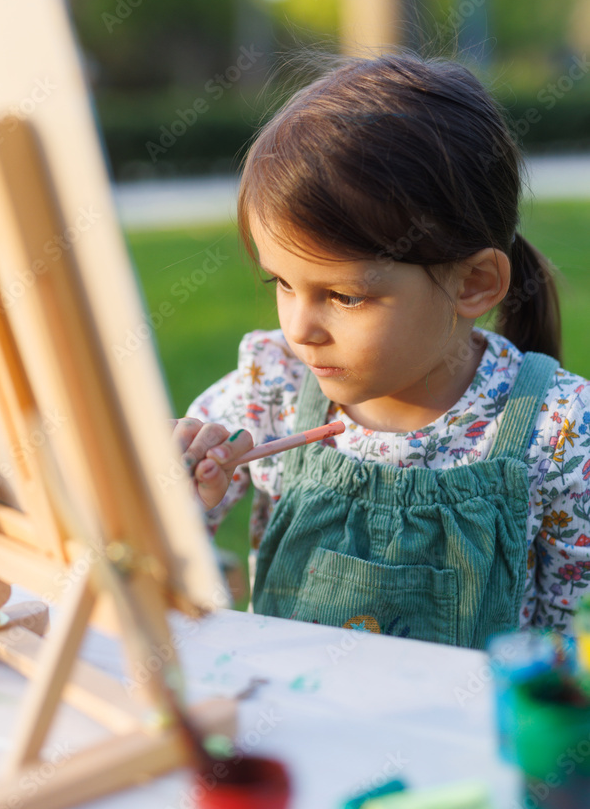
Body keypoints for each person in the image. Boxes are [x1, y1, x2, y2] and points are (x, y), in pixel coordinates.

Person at [173, 51, 590, 648]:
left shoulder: (561, 434)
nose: (300, 329)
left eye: (343, 297)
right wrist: (179, 494)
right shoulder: (271, 390)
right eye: (282, 284)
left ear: (472, 283)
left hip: (460, 740)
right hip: (291, 728)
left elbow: (575, 649)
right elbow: (145, 561)